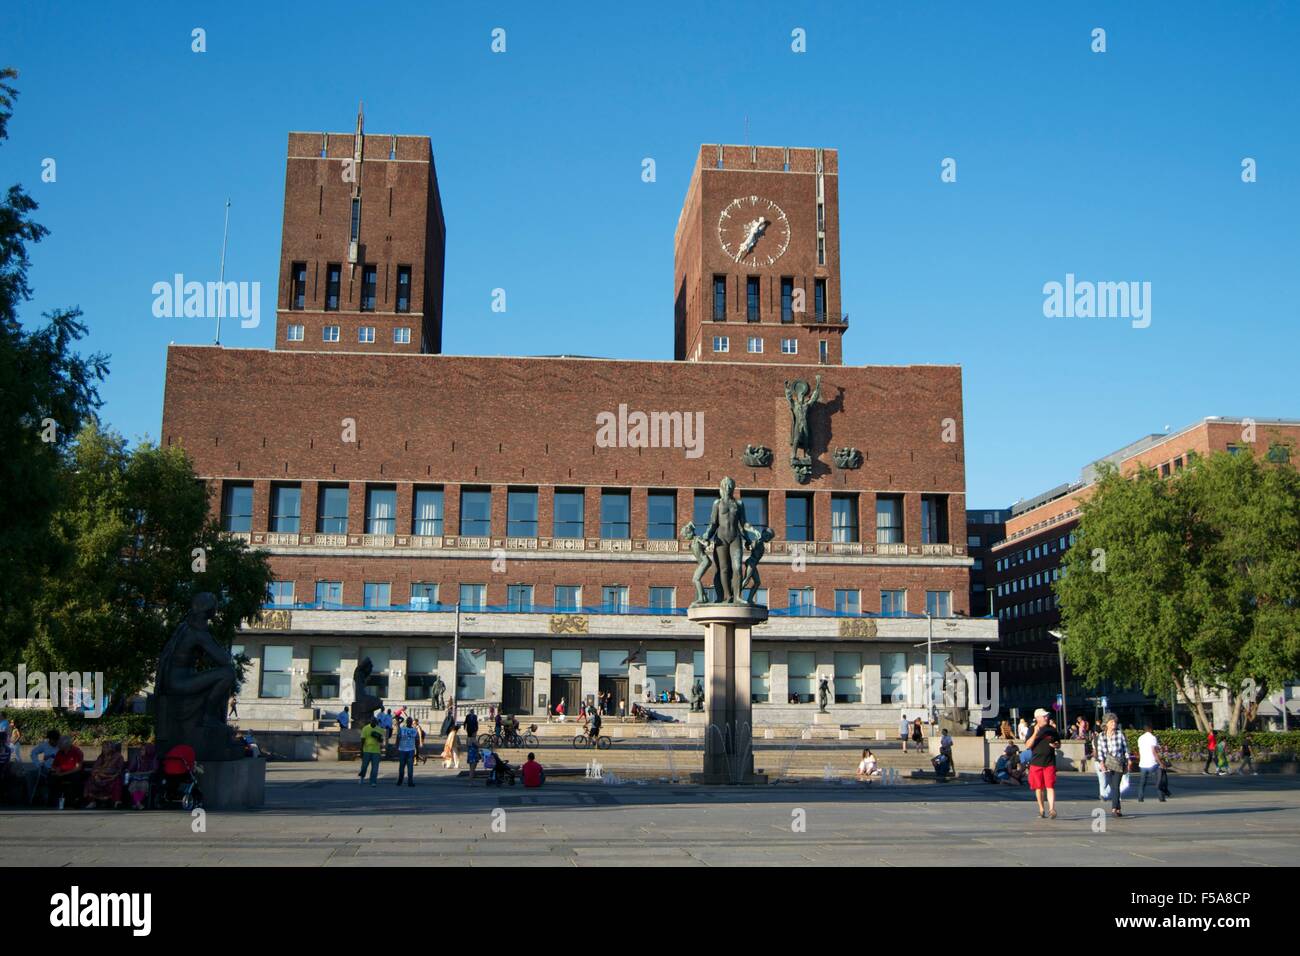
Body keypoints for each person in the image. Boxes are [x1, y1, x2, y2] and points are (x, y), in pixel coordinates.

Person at [1025, 707, 1061, 819]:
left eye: (1047, 716)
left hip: (1049, 762)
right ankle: (1041, 808)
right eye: (1044, 716)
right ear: (1037, 718)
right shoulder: (1031, 729)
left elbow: (1058, 743)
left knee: (1050, 786)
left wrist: (1056, 745)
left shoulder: (1052, 729)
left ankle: (1052, 809)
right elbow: (1027, 745)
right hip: (1036, 762)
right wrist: (1035, 733)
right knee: (1039, 787)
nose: (1047, 717)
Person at [1095, 712, 1129, 818]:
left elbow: (1125, 749)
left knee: (1116, 786)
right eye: (1111, 722)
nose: (1114, 723)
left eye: (1114, 721)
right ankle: (1118, 808)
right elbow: (1100, 751)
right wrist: (1101, 763)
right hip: (1107, 764)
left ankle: (1114, 808)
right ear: (1106, 724)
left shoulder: (1120, 734)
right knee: (1113, 786)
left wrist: (1128, 761)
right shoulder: (1101, 736)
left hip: (1119, 763)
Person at [83, 741, 125, 809]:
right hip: (100, 776)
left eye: (106, 747)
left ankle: (116, 802)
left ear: (111, 748)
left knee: (117, 781)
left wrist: (107, 772)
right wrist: (96, 774)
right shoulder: (101, 757)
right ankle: (92, 802)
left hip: (112, 776)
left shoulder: (118, 757)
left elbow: (119, 769)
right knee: (90, 780)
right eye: (103, 747)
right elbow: (95, 767)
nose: (104, 749)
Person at [49, 736, 85, 809]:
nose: (58, 745)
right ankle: (54, 801)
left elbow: (78, 768)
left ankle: (76, 801)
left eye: (60, 743)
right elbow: (54, 765)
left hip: (73, 772)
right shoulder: (60, 752)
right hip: (62, 773)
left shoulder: (76, 751)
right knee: (51, 778)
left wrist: (63, 774)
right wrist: (57, 769)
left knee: (76, 778)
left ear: (66, 744)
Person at [1136, 724, 1164, 803]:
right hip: (1152, 762)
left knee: (1142, 782)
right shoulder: (1152, 738)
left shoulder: (1140, 738)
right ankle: (1161, 797)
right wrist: (1160, 762)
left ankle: (1140, 797)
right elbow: (1153, 751)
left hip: (1143, 763)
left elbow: (1140, 750)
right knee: (1158, 781)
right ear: (1151, 729)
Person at [125, 743, 157, 810]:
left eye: (143, 750)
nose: (141, 751)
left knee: (143, 785)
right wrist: (128, 770)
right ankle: (138, 803)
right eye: (141, 750)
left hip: (147, 777)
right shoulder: (137, 757)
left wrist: (143, 773)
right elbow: (132, 767)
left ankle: (136, 803)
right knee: (133, 785)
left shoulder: (153, 758)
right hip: (136, 776)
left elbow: (154, 770)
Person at [358, 717, 383, 786]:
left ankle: (373, 781)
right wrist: (361, 751)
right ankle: (362, 777)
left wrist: (378, 738)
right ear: (370, 721)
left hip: (376, 751)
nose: (373, 722)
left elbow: (381, 741)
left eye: (375, 721)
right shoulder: (365, 728)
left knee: (375, 768)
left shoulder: (379, 729)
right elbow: (362, 740)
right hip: (367, 750)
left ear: (376, 722)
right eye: (372, 721)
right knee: (364, 766)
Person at [396, 716, 418, 787]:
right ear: (406, 722)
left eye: (410, 721)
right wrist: (396, 747)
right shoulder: (402, 729)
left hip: (410, 750)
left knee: (410, 767)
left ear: (411, 722)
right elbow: (398, 738)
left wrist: (417, 751)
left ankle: (410, 782)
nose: (409, 722)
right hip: (402, 750)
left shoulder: (415, 730)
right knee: (402, 767)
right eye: (408, 721)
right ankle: (400, 780)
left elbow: (417, 741)